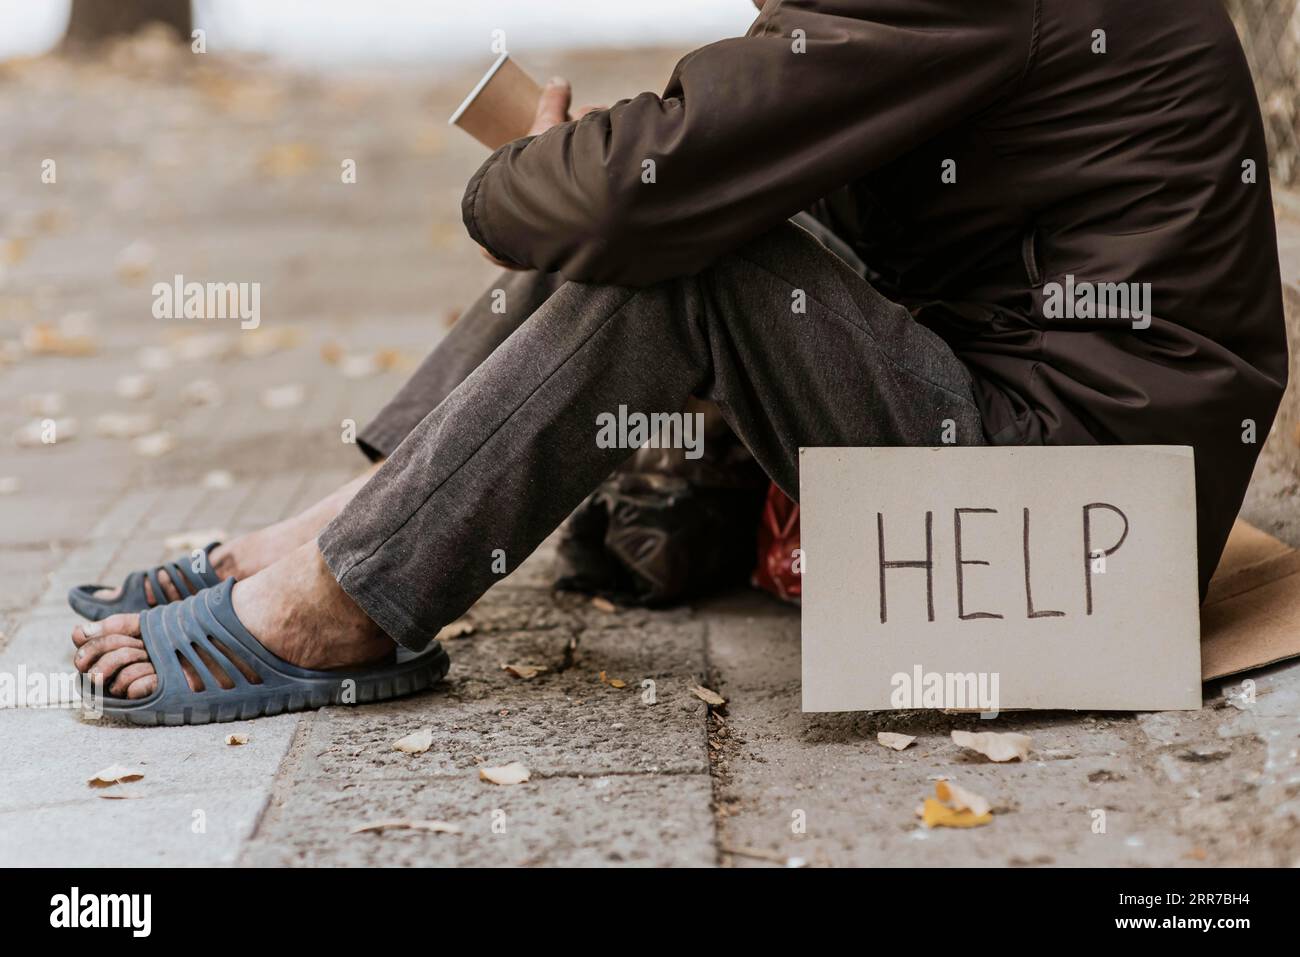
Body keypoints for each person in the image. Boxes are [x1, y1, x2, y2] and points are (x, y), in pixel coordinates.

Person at [70, 0, 1287, 722]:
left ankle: (344, 605)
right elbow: (716, 151)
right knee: (681, 214)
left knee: (686, 244)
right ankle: (339, 535)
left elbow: (636, 187)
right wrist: (609, 184)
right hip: (1069, 470)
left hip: (1080, 530)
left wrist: (527, 177)